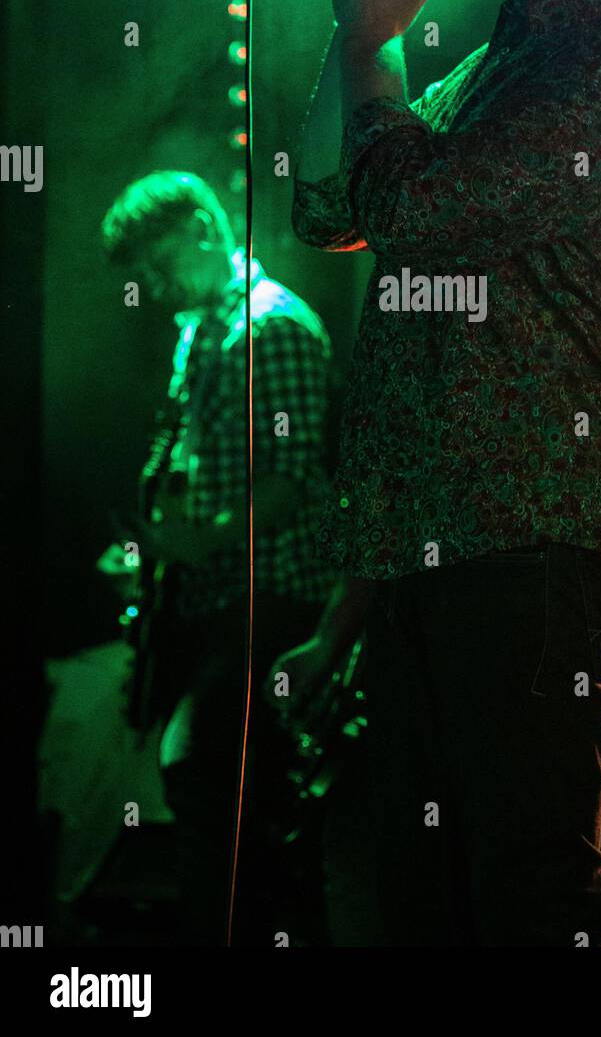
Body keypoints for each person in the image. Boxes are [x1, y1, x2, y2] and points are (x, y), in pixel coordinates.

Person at [287, 0, 601, 946]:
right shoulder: (491, 69)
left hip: (525, 539)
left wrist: (373, 41)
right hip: (432, 540)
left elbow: (416, 206)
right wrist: (351, 37)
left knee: (529, 898)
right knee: (432, 906)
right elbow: (329, 206)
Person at [101, 171, 333, 944]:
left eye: (161, 265)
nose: (157, 288)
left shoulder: (274, 328)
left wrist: (196, 539)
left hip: (274, 600)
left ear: (204, 229)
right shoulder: (199, 331)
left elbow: (290, 485)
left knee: (203, 774)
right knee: (217, 794)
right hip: (216, 603)